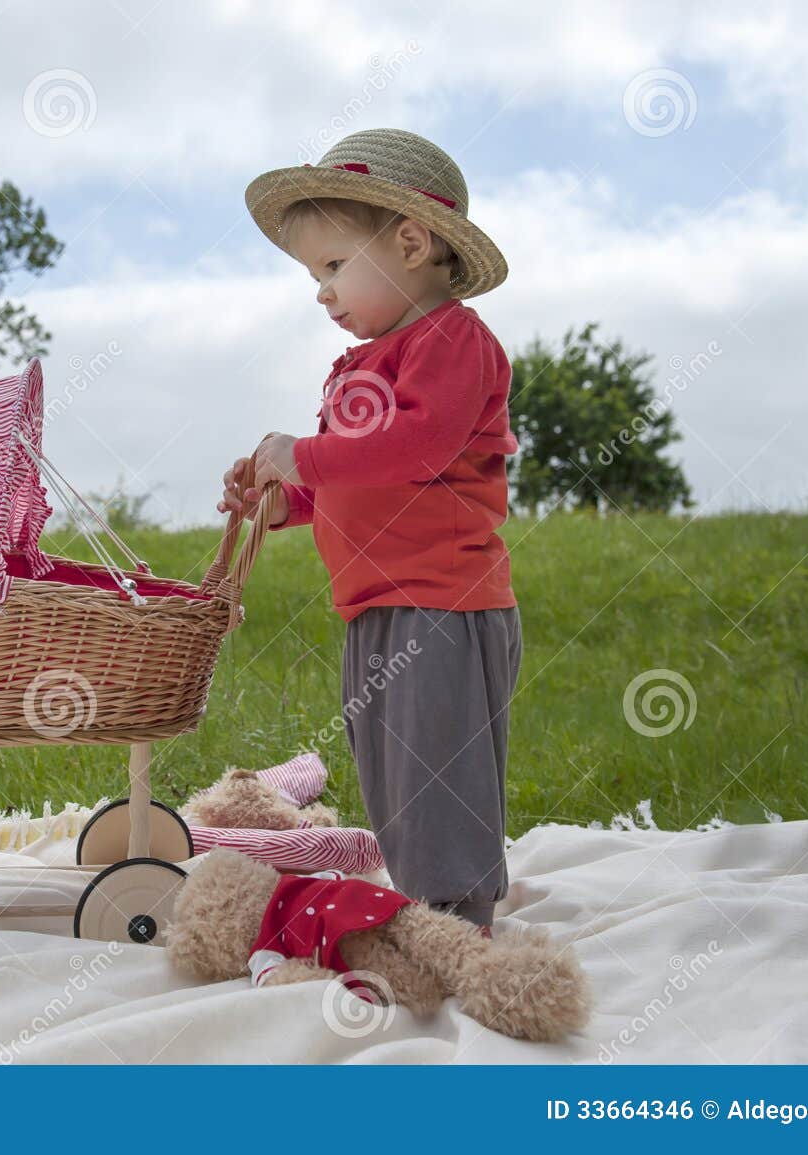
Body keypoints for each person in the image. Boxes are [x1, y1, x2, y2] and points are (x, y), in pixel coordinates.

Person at [218, 128, 519, 933]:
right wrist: (280, 501)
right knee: (388, 764)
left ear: (413, 241)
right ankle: (421, 893)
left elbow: (418, 447)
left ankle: (456, 915)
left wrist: (303, 454)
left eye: (334, 266)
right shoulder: (357, 367)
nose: (321, 291)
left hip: (444, 601)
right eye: (315, 274)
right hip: (372, 602)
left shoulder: (452, 340)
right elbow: (354, 480)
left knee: (437, 765)